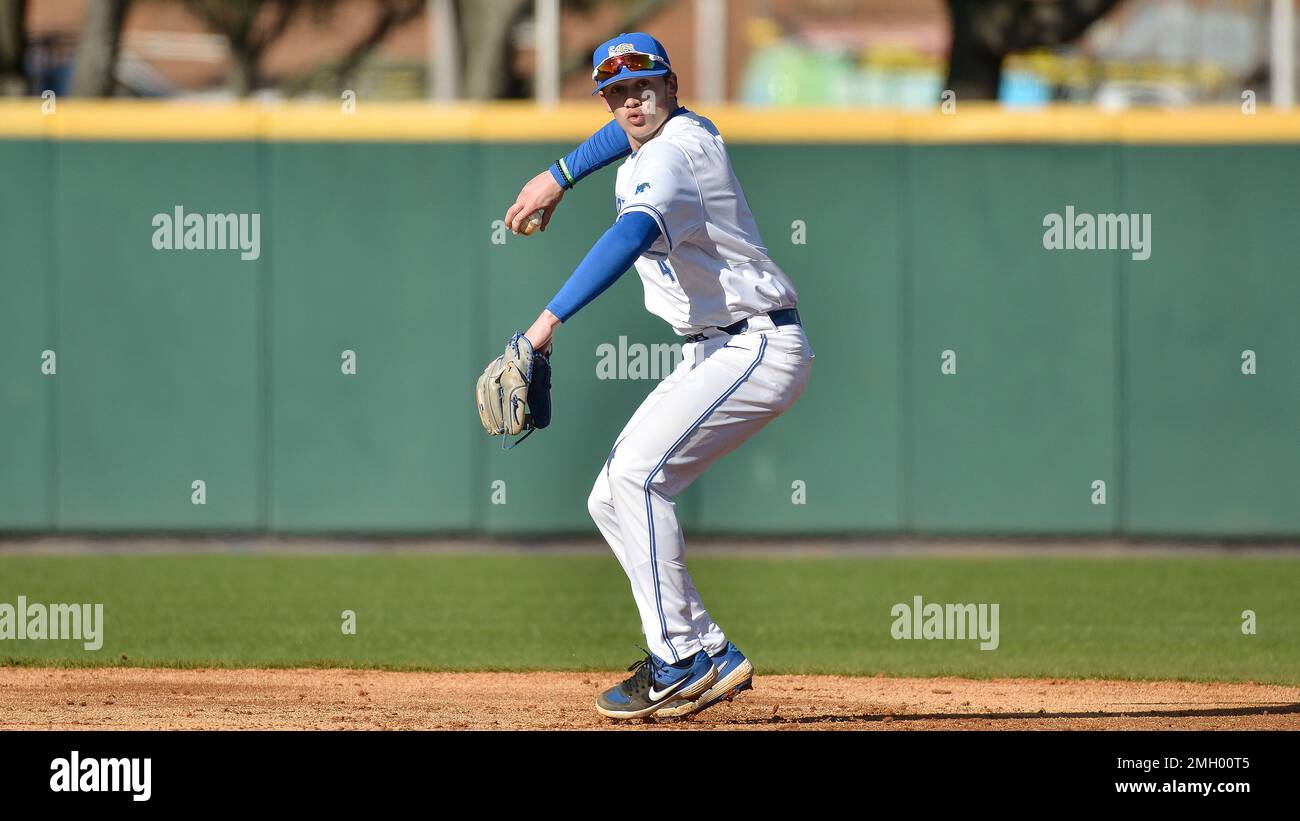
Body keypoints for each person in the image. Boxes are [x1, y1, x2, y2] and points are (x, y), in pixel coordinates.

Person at [504, 32, 813, 720]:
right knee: (611, 495)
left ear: (671, 85)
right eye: (616, 92)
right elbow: (627, 135)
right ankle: (707, 649)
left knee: (639, 479)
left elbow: (629, 234)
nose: (630, 102)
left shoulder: (673, 158)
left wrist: (544, 324)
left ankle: (678, 659)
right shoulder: (684, 134)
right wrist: (561, 172)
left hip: (754, 346)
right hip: (719, 348)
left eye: (644, 86)